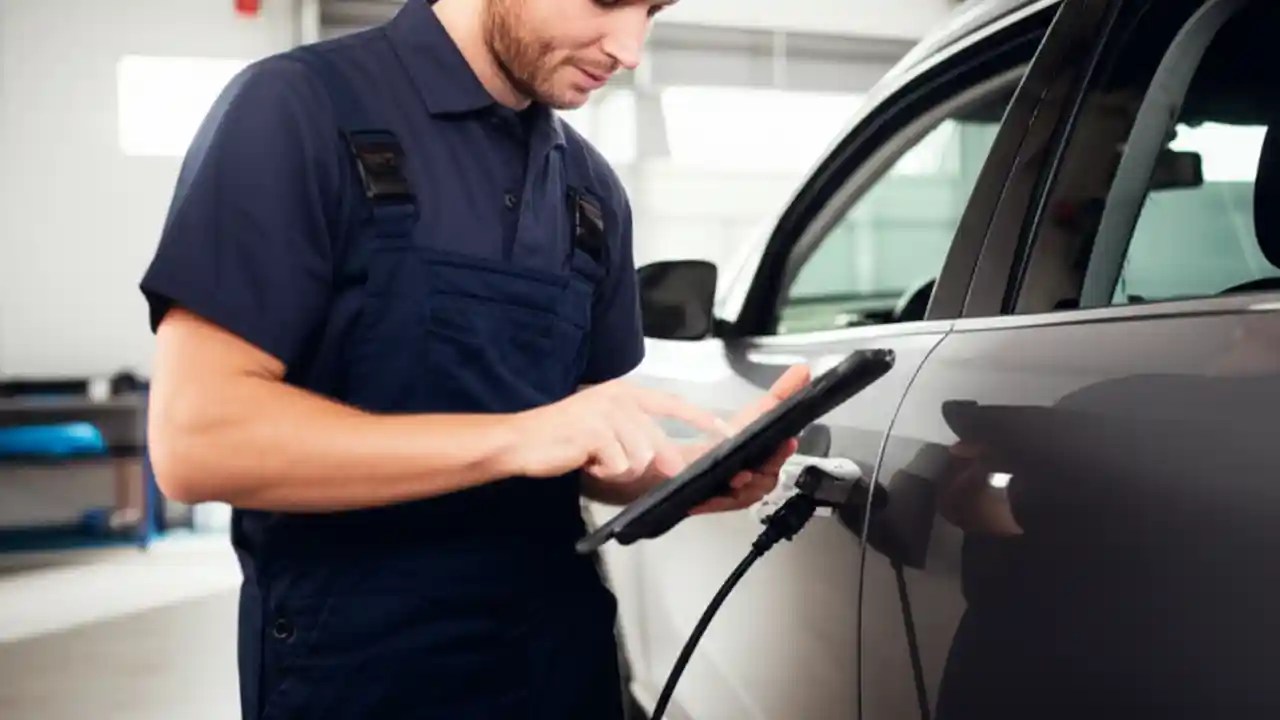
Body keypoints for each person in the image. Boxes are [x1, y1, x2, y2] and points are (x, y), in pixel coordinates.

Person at [138, 0, 809, 718]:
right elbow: (198, 442)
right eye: (610, 0)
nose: (631, 48)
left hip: (557, 664)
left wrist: (678, 476)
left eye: (653, 10)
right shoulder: (295, 110)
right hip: (360, 676)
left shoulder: (590, 191)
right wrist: (517, 438)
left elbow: (580, 454)